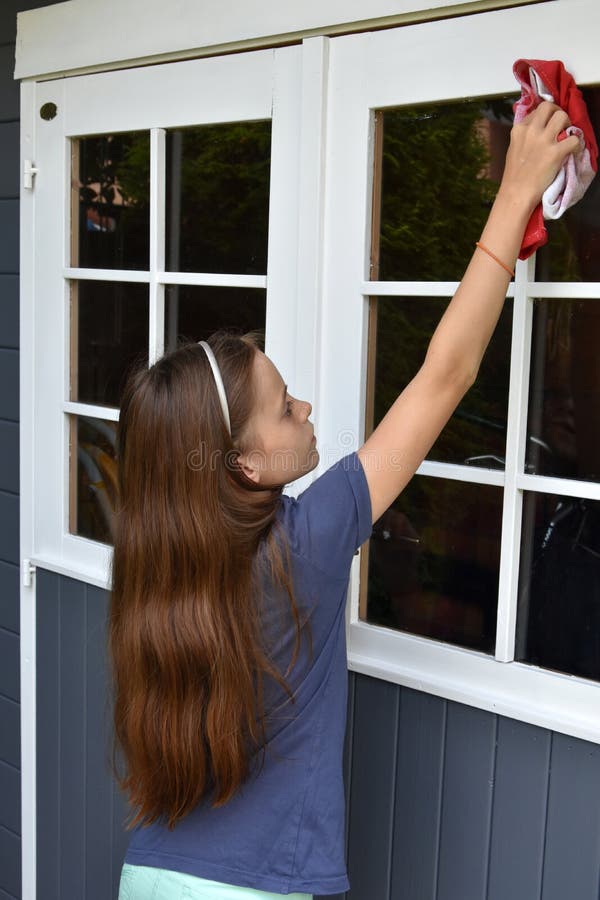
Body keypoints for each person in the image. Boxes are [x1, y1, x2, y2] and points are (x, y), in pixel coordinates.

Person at [109, 101, 581, 900]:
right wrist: (515, 191)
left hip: (150, 876)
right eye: (285, 404)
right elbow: (446, 375)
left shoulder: (153, 571)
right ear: (246, 465)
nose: (306, 410)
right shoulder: (302, 544)